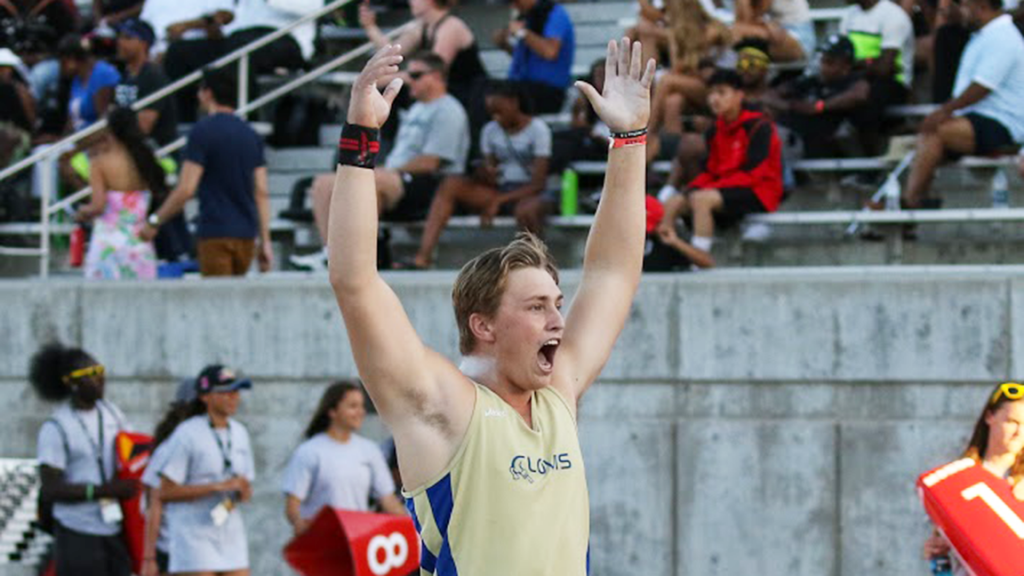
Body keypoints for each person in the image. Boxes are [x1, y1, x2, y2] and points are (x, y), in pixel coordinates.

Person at [326, 38, 652, 574]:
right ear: (483, 325)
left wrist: (630, 137)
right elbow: (355, 280)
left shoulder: (557, 392)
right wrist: (361, 135)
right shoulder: (443, 405)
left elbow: (614, 274)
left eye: (557, 303)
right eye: (536, 307)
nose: (558, 320)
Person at [289, 51, 469, 272]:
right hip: (397, 175)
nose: (408, 80)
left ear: (437, 76)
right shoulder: (416, 109)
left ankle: (360, 260)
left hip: (427, 183)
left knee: (369, 181)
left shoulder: (449, 110)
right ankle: (331, 254)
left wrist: (388, 169)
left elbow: (432, 162)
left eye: (416, 74)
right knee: (324, 183)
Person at [405, 81, 552, 269]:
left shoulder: (538, 129)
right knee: (451, 184)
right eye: (491, 113)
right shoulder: (490, 130)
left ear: (514, 102)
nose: (496, 117)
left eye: (499, 111)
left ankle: (535, 264)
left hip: (529, 193)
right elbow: (490, 170)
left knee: (527, 210)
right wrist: (485, 172)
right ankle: (423, 256)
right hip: (500, 189)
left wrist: (498, 200)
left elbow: (538, 183)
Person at [140, 70, 273, 277]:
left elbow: (186, 189)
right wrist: (266, 241)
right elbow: (261, 191)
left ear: (208, 93)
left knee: (218, 304)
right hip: (246, 234)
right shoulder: (251, 134)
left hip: (214, 231)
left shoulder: (202, 132)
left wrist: (155, 221)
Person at [30, 342, 140, 576]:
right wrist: (103, 491)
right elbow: (51, 488)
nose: (100, 379)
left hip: (113, 527)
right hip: (76, 530)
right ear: (71, 383)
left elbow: (130, 453)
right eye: (89, 374)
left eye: (100, 371)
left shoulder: (111, 413)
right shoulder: (57, 427)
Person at [902, 0, 1024, 209]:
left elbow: (982, 86)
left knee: (937, 131)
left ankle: (908, 203)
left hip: (1002, 122)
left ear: (982, 6)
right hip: (979, 118)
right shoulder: (984, 35)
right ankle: (912, 203)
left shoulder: (1004, 37)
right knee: (930, 138)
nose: (961, 11)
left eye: (966, 5)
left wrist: (944, 111)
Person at [657, 68, 784, 266]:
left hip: (759, 190)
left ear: (739, 95)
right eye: (711, 94)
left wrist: (712, 188)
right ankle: (665, 254)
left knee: (701, 199)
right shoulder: (715, 129)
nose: (714, 99)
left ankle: (699, 260)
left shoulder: (759, 126)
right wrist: (693, 188)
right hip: (724, 188)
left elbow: (757, 172)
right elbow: (711, 170)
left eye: (721, 93)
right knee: (673, 202)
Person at [159, 365, 255, 576]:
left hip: (230, 533)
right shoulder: (187, 433)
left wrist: (242, 491)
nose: (233, 397)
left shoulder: (240, 432)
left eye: (236, 391)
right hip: (193, 537)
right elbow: (165, 492)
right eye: (225, 392)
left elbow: (247, 484)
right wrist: (217, 487)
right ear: (206, 397)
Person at [922, 381, 1024, 575]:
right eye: (1012, 422)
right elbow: (942, 563)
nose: (1019, 432)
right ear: (990, 417)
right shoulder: (955, 481)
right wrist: (937, 553)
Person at [281, 382, 405, 535]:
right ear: (332, 411)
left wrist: (413, 528)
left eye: (362, 406)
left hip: (358, 541)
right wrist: (299, 523)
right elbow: (292, 505)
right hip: (322, 541)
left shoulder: (369, 450)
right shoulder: (309, 451)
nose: (360, 412)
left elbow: (388, 500)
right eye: (353, 406)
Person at [73, 107, 164, 279]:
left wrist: (82, 212)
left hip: (108, 241)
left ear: (110, 130)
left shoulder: (100, 162)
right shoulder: (145, 159)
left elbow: (98, 206)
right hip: (139, 241)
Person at [359, 0, 487, 117]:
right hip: (440, 92)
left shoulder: (451, 27)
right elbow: (393, 53)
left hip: (464, 96)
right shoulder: (422, 26)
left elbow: (433, 72)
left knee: (389, 87)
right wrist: (370, 27)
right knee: (382, 91)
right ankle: (387, 139)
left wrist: (386, 79)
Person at [763, 34, 871, 158]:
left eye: (829, 61)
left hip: (820, 145)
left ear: (845, 65)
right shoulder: (812, 80)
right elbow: (768, 96)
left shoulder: (853, 81)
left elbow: (859, 95)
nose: (823, 65)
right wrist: (790, 105)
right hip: (792, 136)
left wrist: (820, 106)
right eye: (823, 59)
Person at [140, 378, 202, 576]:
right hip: (175, 550)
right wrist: (149, 558)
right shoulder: (171, 448)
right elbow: (152, 503)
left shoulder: (210, 442)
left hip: (207, 548)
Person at [839, 0, 915, 154]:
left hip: (894, 82)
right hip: (856, 76)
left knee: (864, 99)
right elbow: (839, 60)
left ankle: (870, 167)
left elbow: (885, 68)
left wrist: (855, 65)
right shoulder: (848, 15)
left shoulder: (893, 16)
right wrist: (869, 62)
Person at [493, 0, 576, 114]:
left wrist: (523, 33)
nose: (514, 6)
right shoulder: (528, 17)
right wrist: (504, 44)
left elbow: (549, 52)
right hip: (522, 85)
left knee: (501, 98)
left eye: (516, 2)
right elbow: (524, 58)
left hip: (548, 91)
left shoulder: (554, 13)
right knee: (484, 89)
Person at [113, 19, 178, 148]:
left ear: (144, 44)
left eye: (128, 37)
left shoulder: (153, 76)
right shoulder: (125, 76)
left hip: (157, 153)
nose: (120, 42)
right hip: (130, 149)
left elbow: (143, 128)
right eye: (119, 37)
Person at [57, 34, 121, 132]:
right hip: (78, 138)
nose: (61, 68)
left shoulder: (102, 74)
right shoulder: (77, 79)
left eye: (63, 63)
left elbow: (103, 121)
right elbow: (71, 120)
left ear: (72, 59)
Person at [730, 0, 815, 62]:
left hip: (798, 37)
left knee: (738, 32)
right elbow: (742, 21)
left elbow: (747, 20)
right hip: (776, 32)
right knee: (737, 35)